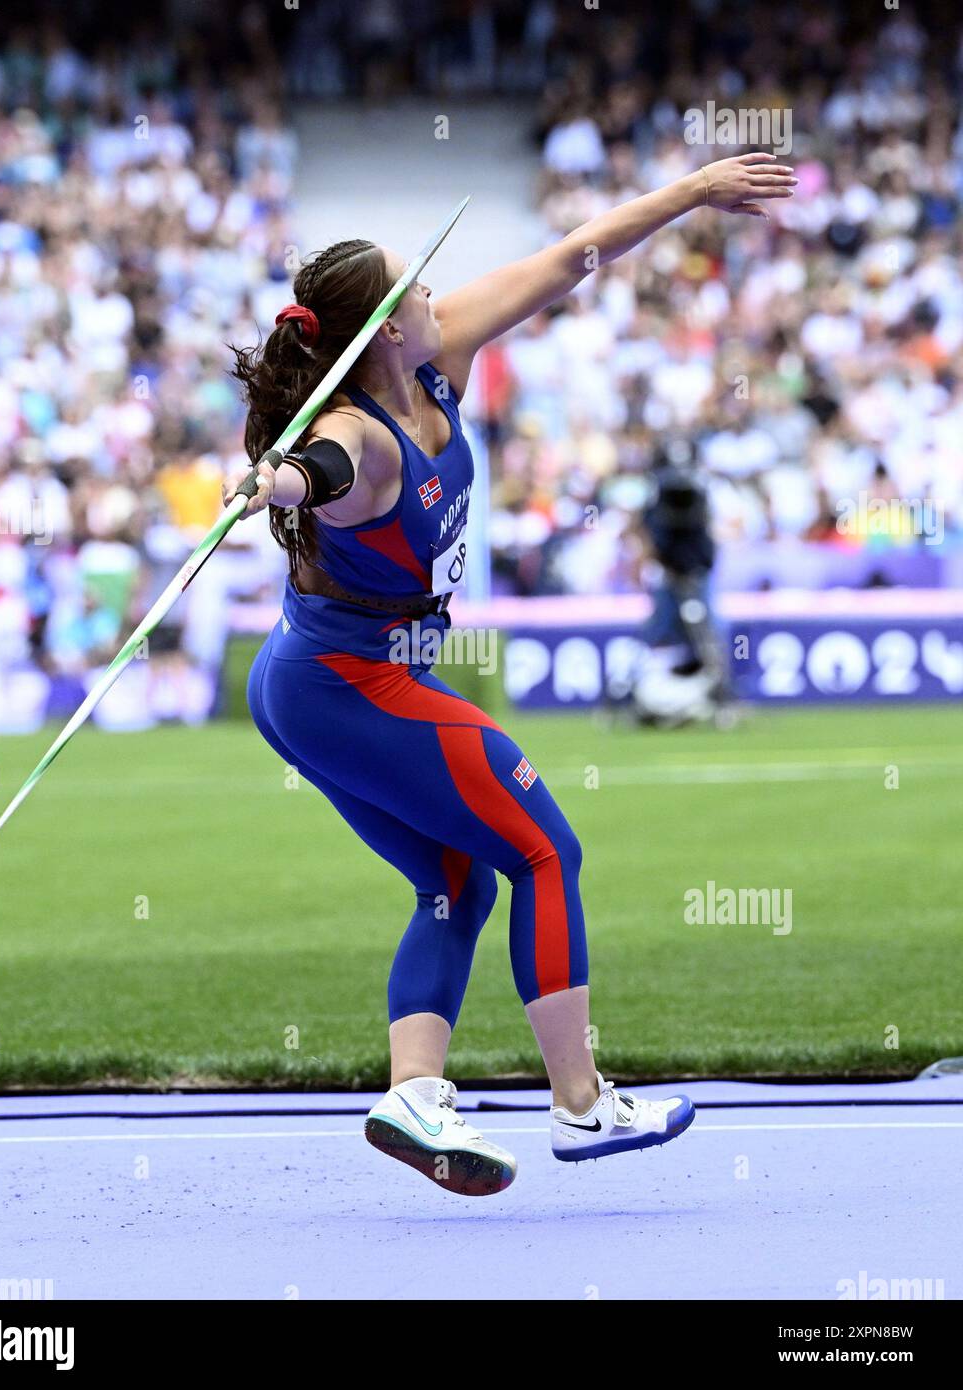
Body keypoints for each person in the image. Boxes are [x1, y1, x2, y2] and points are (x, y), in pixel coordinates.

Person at [224, 153, 796, 1197]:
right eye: (420, 290)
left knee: (453, 881)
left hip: (318, 679)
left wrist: (690, 191)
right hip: (348, 685)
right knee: (543, 849)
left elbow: (572, 256)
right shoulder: (361, 435)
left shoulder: (434, 360)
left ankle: (413, 1096)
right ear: (384, 328)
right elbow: (327, 472)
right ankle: (578, 1103)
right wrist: (282, 478)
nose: (441, 297)